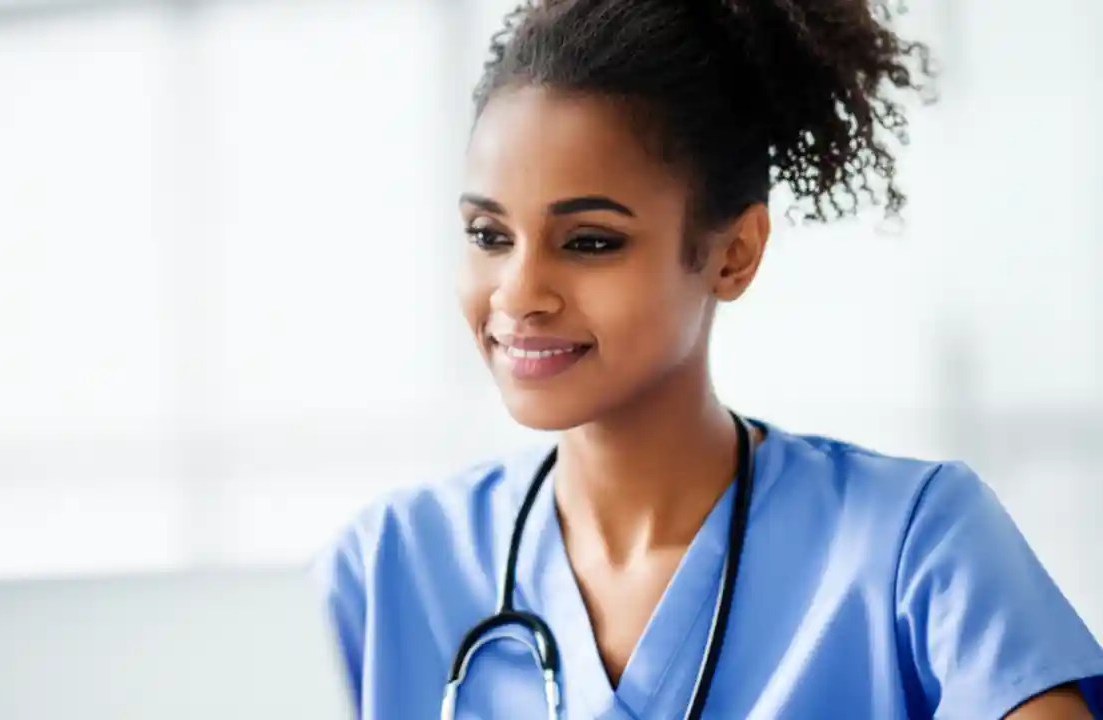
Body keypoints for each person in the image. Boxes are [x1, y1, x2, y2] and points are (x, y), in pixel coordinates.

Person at [314, 0, 1103, 717]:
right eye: (489, 236)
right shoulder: (388, 568)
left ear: (733, 254)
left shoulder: (913, 544)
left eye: (590, 242)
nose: (519, 294)